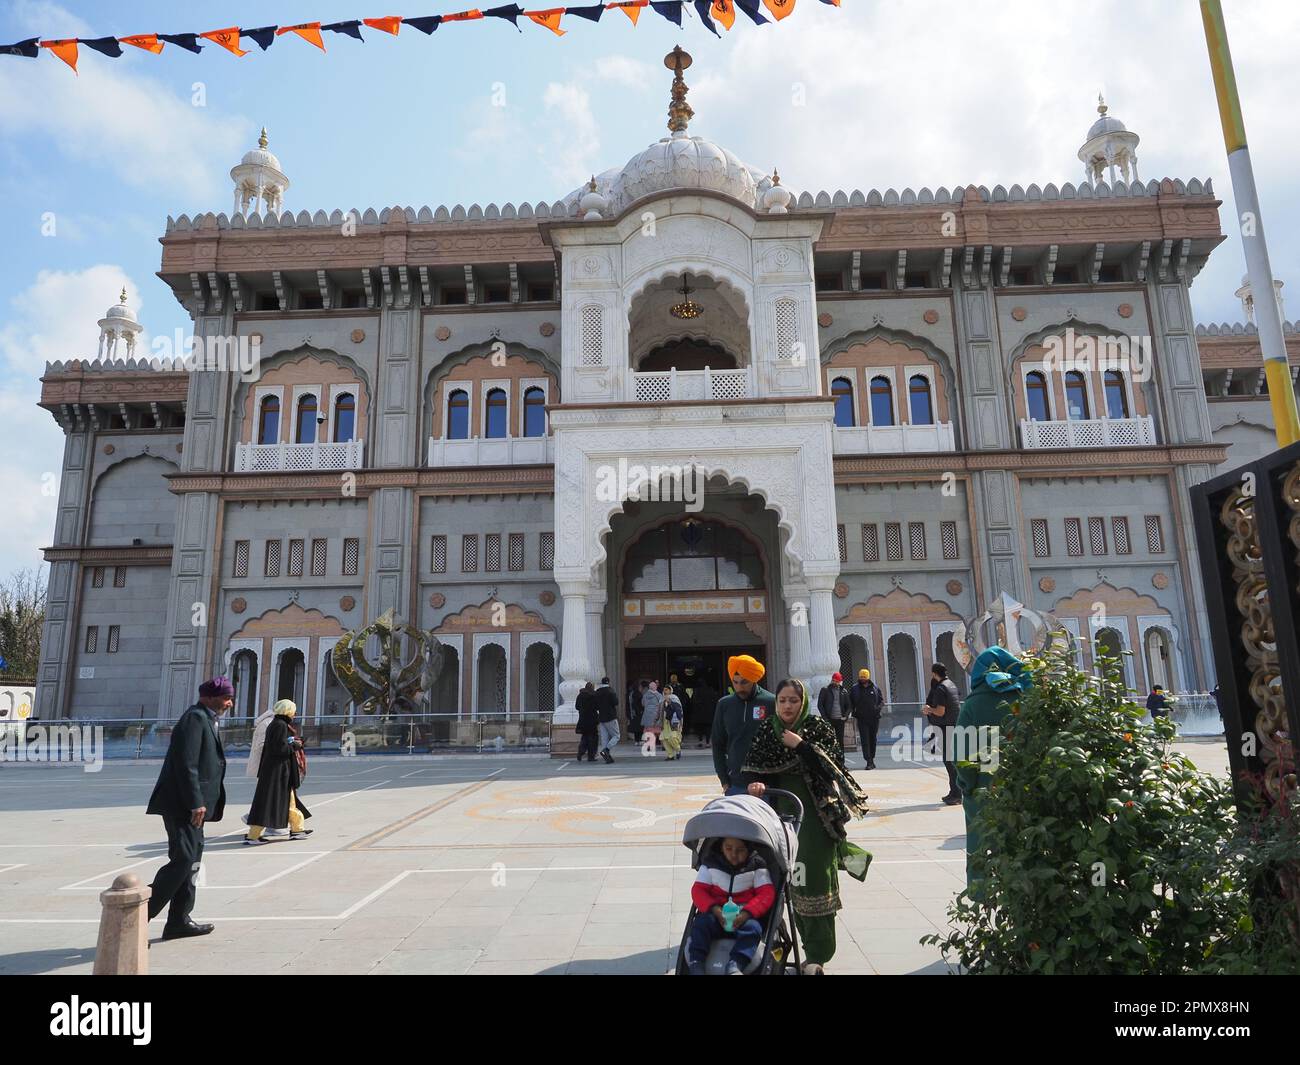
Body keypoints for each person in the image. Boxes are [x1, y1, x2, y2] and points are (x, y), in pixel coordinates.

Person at [743, 678, 870, 974]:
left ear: (804, 703)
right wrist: (757, 785)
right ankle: (796, 946)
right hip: (778, 818)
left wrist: (802, 746)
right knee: (790, 884)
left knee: (815, 881)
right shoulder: (767, 731)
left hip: (815, 816)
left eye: (794, 701)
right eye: (783, 700)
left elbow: (834, 768)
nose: (788, 706)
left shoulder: (817, 728)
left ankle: (817, 954)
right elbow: (753, 769)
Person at [145, 677, 230, 939]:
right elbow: (186, 764)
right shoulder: (194, 718)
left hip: (196, 808)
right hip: (183, 805)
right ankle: (138, 916)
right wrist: (195, 802)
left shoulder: (207, 718)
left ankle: (179, 919)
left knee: (192, 862)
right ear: (210, 697)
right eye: (226, 697)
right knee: (182, 860)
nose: (230, 702)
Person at [955, 647, 1033, 901]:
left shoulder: (973, 705)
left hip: (983, 786)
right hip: (1020, 784)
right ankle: (1020, 891)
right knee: (1017, 840)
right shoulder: (1025, 698)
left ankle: (980, 893)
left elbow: (963, 755)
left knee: (979, 842)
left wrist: (966, 785)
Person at [686, 836, 776, 975]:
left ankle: (736, 964)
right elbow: (698, 890)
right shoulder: (710, 864)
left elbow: (766, 893)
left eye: (740, 850)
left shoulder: (757, 865)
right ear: (721, 847)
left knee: (754, 929)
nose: (734, 854)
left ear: (749, 849)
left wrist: (747, 913)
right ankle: (696, 962)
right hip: (716, 914)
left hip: (744, 916)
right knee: (701, 924)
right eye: (728, 849)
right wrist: (715, 909)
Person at [244, 699, 312, 844]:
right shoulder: (280, 725)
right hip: (277, 773)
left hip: (277, 772)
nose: (295, 714)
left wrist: (293, 743)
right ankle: (253, 835)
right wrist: (295, 745)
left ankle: (297, 829)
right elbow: (279, 749)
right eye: (293, 711)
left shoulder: (277, 724)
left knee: (288, 802)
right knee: (267, 804)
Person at [711, 655, 775, 795]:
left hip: (766, 785)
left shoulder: (771, 702)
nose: (739, 687)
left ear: (754, 679)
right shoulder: (724, 705)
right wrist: (724, 780)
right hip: (735, 784)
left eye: (744, 682)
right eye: (735, 682)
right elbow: (717, 743)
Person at [923, 664, 962, 805]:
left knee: (950, 763)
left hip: (946, 728)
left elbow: (940, 711)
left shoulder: (940, 688)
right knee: (952, 762)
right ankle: (955, 792)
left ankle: (957, 794)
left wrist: (929, 709)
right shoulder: (951, 684)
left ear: (934, 674)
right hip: (955, 725)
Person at [849, 668, 884, 769]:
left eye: (864, 677)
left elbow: (881, 701)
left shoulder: (875, 688)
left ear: (868, 678)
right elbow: (850, 702)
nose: (862, 679)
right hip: (862, 719)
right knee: (865, 740)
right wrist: (853, 712)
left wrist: (878, 708)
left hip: (874, 718)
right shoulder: (855, 689)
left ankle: (872, 759)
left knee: (873, 739)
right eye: (861, 677)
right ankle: (868, 761)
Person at [817, 672, 850, 753]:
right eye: (833, 680)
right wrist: (825, 718)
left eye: (836, 681)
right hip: (829, 719)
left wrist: (845, 716)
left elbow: (849, 706)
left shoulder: (844, 691)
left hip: (840, 720)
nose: (834, 682)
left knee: (840, 742)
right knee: (829, 741)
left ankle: (841, 762)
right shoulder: (825, 690)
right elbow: (820, 705)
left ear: (840, 681)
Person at [593, 676, 620, 763]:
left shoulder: (597, 692)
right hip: (611, 717)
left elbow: (595, 705)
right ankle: (607, 750)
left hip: (601, 717)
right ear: (608, 682)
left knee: (604, 738)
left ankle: (607, 757)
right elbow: (616, 702)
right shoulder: (610, 691)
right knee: (616, 736)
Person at [575, 681, 599, 763]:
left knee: (584, 737)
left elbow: (577, 707)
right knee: (592, 738)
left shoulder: (580, 695)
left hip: (583, 719)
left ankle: (580, 752)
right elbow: (597, 706)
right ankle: (591, 756)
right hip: (592, 720)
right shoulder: (594, 695)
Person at [692, 679, 717, 748]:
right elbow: (715, 701)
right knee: (708, 728)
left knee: (700, 728)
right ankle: (708, 742)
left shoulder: (697, 691)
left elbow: (694, 701)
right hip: (709, 713)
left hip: (699, 713)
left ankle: (700, 741)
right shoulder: (711, 690)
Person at [661, 685, 684, 760]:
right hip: (665, 722)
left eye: (667, 690)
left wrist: (681, 722)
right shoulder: (662, 699)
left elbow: (679, 711)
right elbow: (660, 710)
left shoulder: (674, 698)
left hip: (674, 721)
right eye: (664, 690)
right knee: (664, 738)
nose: (665, 691)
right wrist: (657, 720)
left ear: (671, 691)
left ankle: (678, 749)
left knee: (672, 737)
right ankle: (670, 755)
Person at [640, 680, 664, 750]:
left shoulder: (645, 695)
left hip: (647, 715)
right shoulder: (659, 695)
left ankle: (649, 745)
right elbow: (662, 705)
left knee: (649, 731)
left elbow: (643, 704)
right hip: (656, 715)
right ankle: (663, 745)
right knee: (659, 731)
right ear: (655, 687)